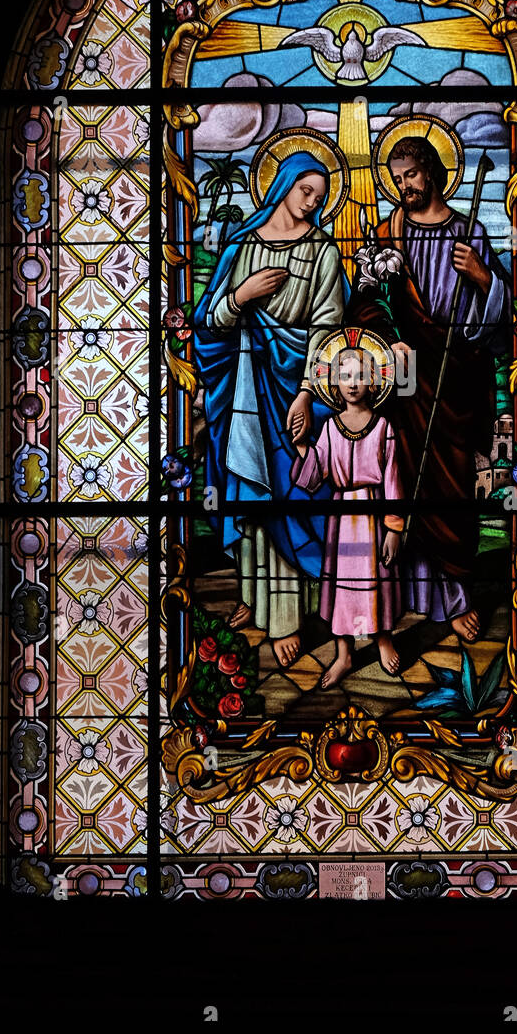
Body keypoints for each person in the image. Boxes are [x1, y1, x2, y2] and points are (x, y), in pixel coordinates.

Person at [345, 133, 510, 642]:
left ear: (434, 173)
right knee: (403, 479)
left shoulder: (470, 232)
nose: (404, 186)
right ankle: (406, 598)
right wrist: (389, 338)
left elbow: (504, 313)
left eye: (411, 175)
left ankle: (456, 595)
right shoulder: (387, 231)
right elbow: (365, 300)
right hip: (407, 377)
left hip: (457, 375)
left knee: (453, 483)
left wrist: (481, 275)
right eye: (396, 179)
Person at [192, 150, 346, 667]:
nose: (312, 202)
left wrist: (306, 392)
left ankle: (291, 615)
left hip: (299, 388)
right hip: (246, 389)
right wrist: (241, 295)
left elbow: (328, 327)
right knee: (254, 486)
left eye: (320, 197)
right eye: (306, 190)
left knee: (295, 492)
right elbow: (209, 321)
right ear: (280, 185)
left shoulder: (323, 251)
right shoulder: (242, 246)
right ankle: (258, 597)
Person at [291, 338, 403, 687]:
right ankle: (344, 654)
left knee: (378, 582)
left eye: (361, 374)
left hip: (373, 516)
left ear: (374, 381)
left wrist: (394, 529)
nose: (353, 382)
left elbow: (393, 481)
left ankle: (383, 638)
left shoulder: (384, 428)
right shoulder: (329, 428)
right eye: (345, 375)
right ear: (335, 383)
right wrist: (302, 450)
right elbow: (316, 474)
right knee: (343, 589)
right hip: (342, 520)